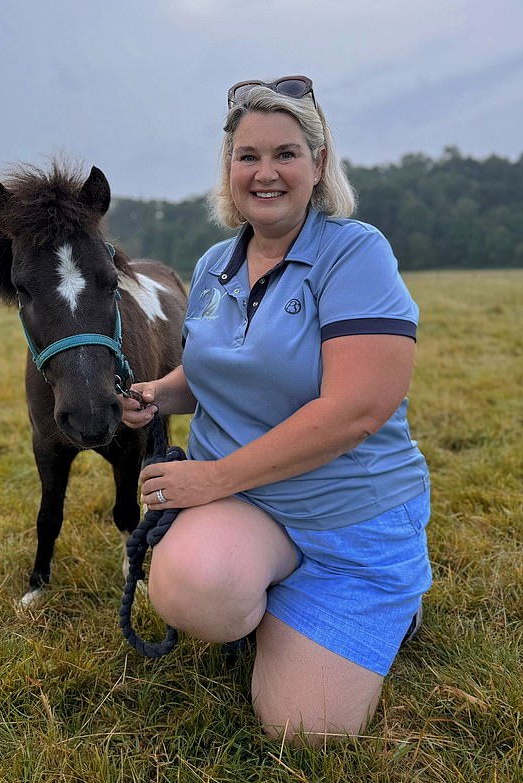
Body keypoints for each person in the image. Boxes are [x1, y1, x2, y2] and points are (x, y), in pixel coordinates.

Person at [120, 75, 431, 746]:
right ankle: (271, 595)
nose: (265, 173)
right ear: (229, 169)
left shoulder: (355, 253)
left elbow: (355, 411)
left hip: (350, 521)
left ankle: (385, 604)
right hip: (255, 508)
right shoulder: (214, 263)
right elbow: (215, 370)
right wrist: (157, 393)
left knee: (304, 730)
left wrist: (211, 478)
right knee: (190, 587)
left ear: (318, 164)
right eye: (248, 156)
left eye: (285, 154)